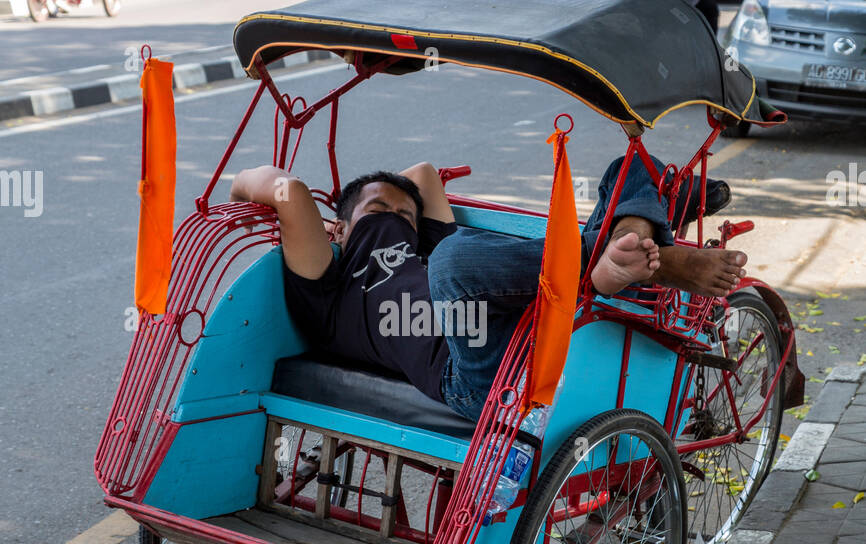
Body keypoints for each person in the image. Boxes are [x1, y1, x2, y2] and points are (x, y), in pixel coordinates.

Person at [229, 159, 745, 423]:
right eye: (375, 213)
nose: (394, 220)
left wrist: (400, 207)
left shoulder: (420, 246)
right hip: (471, 376)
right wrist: (238, 186)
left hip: (523, 326)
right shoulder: (328, 281)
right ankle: (637, 248)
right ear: (337, 230)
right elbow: (289, 191)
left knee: (626, 167)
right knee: (456, 255)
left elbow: (421, 176)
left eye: (404, 215)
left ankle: (633, 248)